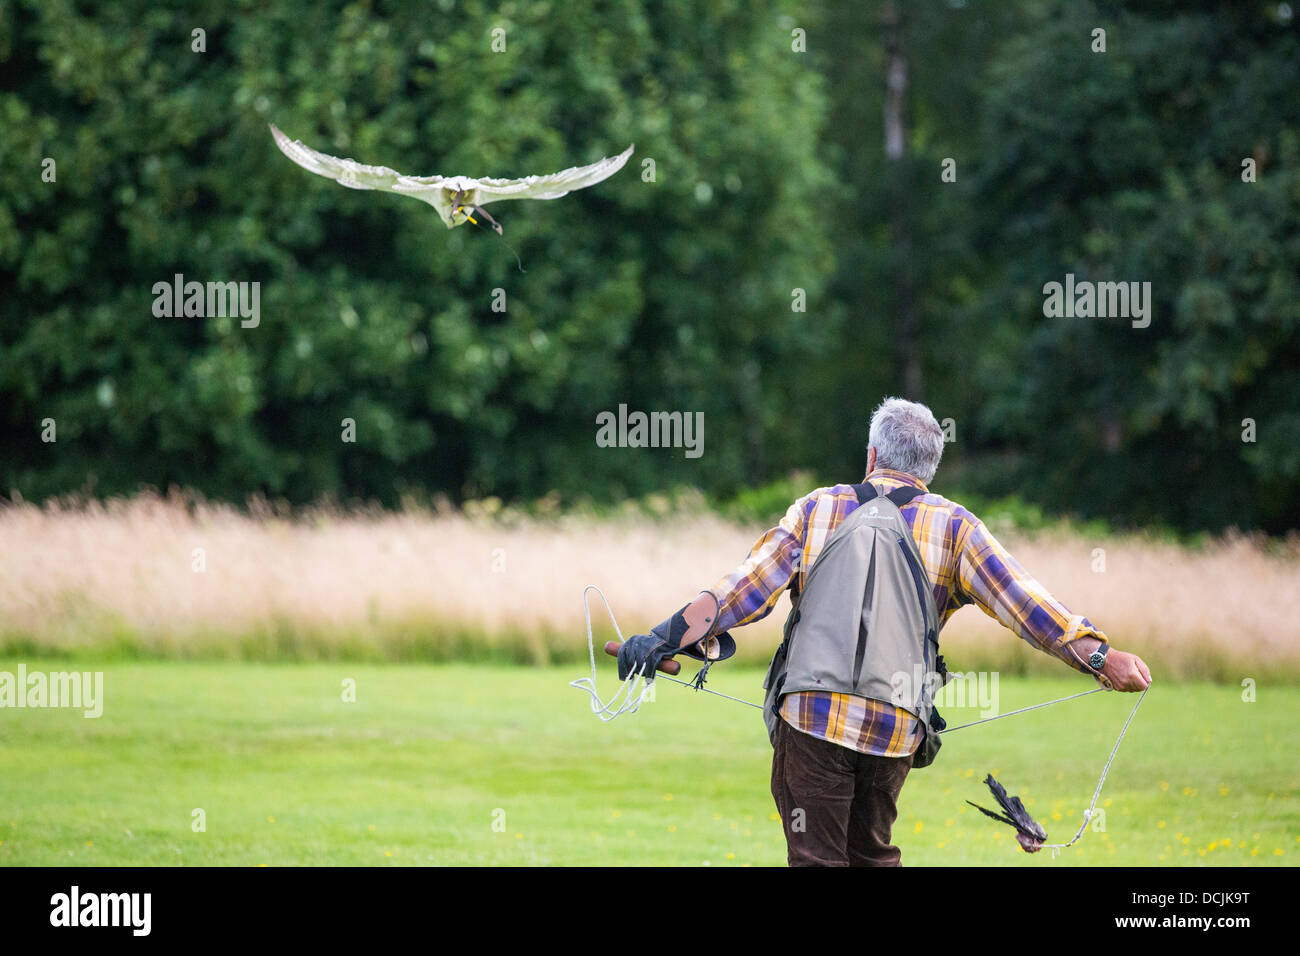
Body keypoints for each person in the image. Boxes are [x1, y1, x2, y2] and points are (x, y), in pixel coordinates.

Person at [618, 397, 1152, 866]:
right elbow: (1028, 607)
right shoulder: (957, 527)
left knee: (815, 859)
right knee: (872, 857)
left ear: (871, 456)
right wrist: (1102, 658)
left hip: (811, 719)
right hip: (895, 728)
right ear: (930, 469)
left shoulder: (817, 508)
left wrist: (662, 639)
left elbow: (744, 591)